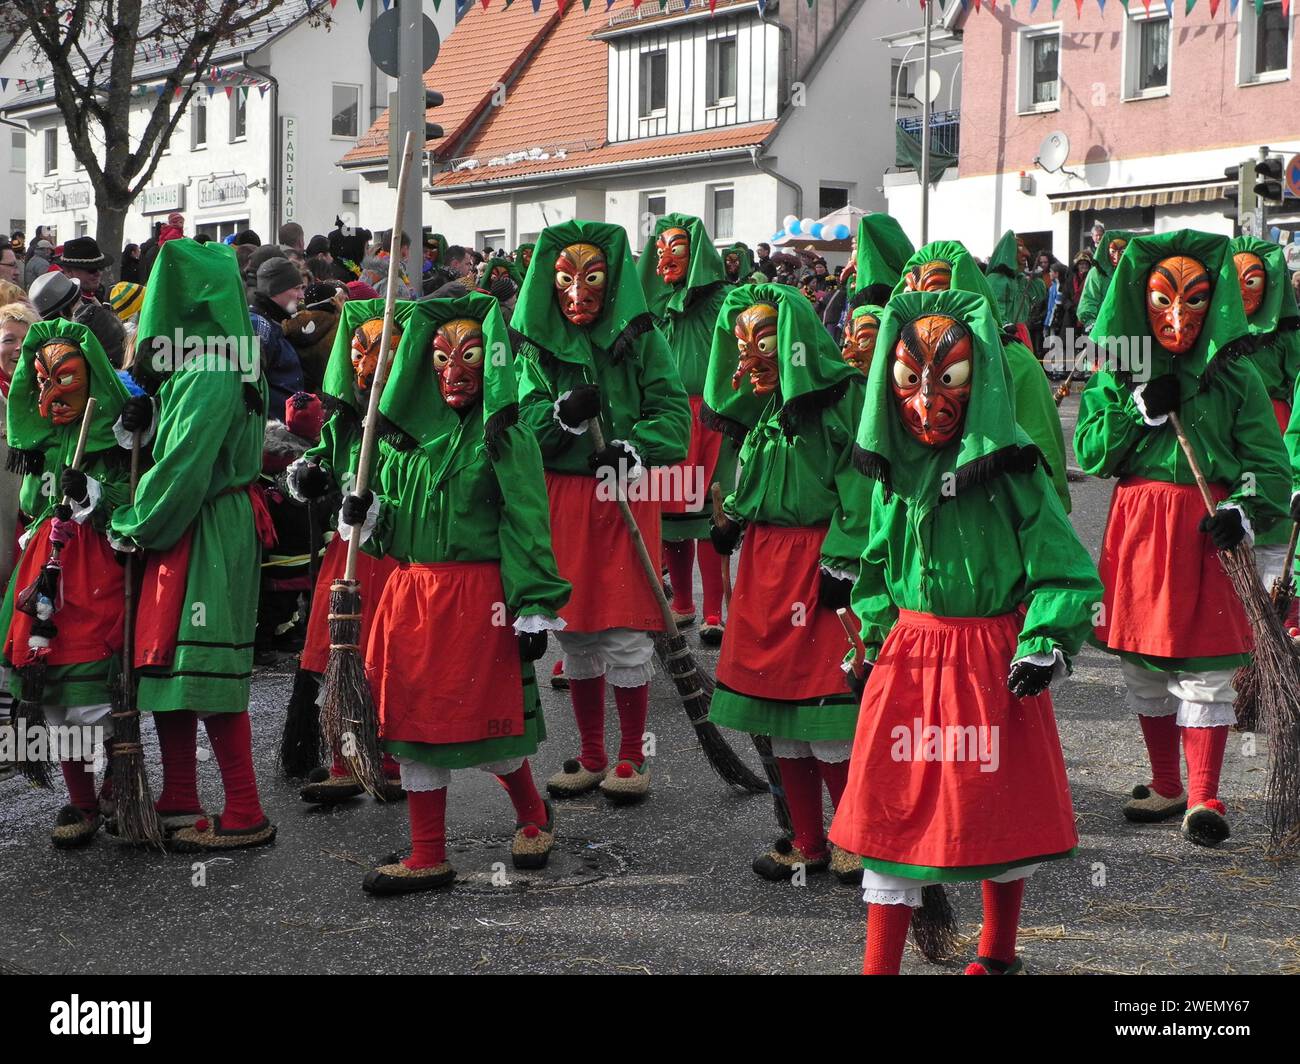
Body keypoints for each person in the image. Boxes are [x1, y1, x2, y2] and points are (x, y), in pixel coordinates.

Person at [830, 288, 1100, 975]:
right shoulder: (896, 470)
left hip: (989, 656)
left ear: (976, 381)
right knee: (894, 816)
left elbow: (1062, 567)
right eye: (909, 380)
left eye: (947, 380)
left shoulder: (1014, 471)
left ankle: (998, 953)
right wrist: (870, 637)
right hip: (911, 662)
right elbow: (878, 565)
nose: (926, 401)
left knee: (989, 805)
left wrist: (1045, 640)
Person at [344, 294, 571, 894]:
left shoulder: (506, 434)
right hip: (412, 598)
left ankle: (533, 814)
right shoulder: (399, 442)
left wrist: (533, 607)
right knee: (415, 728)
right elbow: (384, 535)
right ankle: (428, 855)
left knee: (490, 731)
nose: (454, 371)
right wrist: (363, 515)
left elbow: (527, 523)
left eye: (470, 356)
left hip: (479, 599)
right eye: (441, 359)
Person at [1075, 230, 1289, 848]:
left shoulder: (1236, 372)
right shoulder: (1118, 371)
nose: (1177, 317)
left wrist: (1244, 510)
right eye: (1163, 300)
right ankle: (1166, 782)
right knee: (1143, 666)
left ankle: (1204, 796)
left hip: (1205, 534)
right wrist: (1138, 409)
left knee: (1206, 670)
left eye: (1194, 300)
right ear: (1139, 304)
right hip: (1140, 531)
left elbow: (1270, 466)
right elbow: (1093, 453)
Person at [513, 220, 690, 805]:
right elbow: (519, 423)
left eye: (591, 280)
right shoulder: (536, 347)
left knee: (622, 632)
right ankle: (590, 754)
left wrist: (632, 445)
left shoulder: (643, 338)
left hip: (624, 493)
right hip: (564, 497)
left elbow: (672, 412)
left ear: (611, 281)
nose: (577, 294)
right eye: (565, 280)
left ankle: (631, 755)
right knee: (579, 632)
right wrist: (561, 415)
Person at [109, 238, 277, 852]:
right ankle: (181, 792)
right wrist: (143, 421)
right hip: (196, 520)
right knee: (173, 667)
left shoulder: (209, 367)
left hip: (201, 523)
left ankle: (244, 810)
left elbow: (185, 466)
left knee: (207, 668)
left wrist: (133, 522)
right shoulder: (213, 361)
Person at [703, 284, 868, 883]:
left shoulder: (841, 396)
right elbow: (750, 474)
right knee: (783, 723)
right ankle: (807, 839)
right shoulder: (761, 407)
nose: (749, 358)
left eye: (763, 341)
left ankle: (854, 835)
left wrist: (845, 561)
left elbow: (862, 483)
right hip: (765, 570)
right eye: (741, 344)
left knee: (825, 719)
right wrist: (731, 522)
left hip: (817, 561)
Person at [0, 320, 132, 847]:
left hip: (96, 563)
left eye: (66, 379)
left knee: (99, 680)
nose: (51, 393)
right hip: (43, 565)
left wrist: (96, 492)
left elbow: (133, 499)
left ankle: (119, 785)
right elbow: (31, 503)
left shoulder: (118, 435)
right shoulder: (39, 441)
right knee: (48, 679)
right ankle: (79, 797)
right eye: (40, 379)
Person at [284, 297, 410, 805]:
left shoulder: (420, 421)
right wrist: (310, 476)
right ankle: (342, 756)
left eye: (382, 353)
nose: (366, 364)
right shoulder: (341, 421)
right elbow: (320, 459)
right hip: (348, 551)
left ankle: (393, 760)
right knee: (337, 649)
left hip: (398, 554)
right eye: (359, 351)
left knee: (388, 654)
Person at [892, 239, 1071, 512]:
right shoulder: (898, 366)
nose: (925, 310)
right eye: (912, 296)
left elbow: (1040, 446)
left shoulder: (1012, 360)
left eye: (938, 295)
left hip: (988, 513)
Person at [638, 214, 733, 645]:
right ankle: (683, 605)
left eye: (675, 249)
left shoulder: (724, 302)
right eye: (660, 251)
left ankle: (715, 610)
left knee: (711, 515)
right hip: (671, 417)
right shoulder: (654, 307)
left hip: (711, 418)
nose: (665, 259)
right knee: (673, 515)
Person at [1228, 235, 1300, 591]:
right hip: (1235, 431)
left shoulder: (1287, 339)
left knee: (1277, 520)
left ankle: (1277, 605)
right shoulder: (1221, 340)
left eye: (1252, 280)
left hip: (1279, 427)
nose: (1243, 291)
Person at [51, 237, 126, 367]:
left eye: (100, 268)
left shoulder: (98, 295)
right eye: (91, 269)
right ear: (68, 271)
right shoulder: (61, 307)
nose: (98, 274)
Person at [249, 256, 307, 422]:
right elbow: (250, 388)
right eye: (296, 288)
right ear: (276, 289)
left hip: (281, 428)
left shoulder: (270, 323)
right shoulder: (258, 325)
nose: (301, 295)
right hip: (271, 433)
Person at [985, 230, 1046, 339]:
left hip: (1020, 332)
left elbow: (1039, 293)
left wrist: (1035, 272)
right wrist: (1005, 325)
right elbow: (994, 306)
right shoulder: (996, 279)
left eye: (1025, 258)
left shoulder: (1020, 279)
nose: (1024, 259)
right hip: (1003, 335)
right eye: (1020, 255)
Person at [1076, 229, 1136, 333]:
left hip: (1129, 328)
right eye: (1113, 252)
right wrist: (1090, 321)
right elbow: (1089, 298)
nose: (1117, 256)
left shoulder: (1134, 272)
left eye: (1122, 252)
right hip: (1103, 328)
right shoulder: (1097, 272)